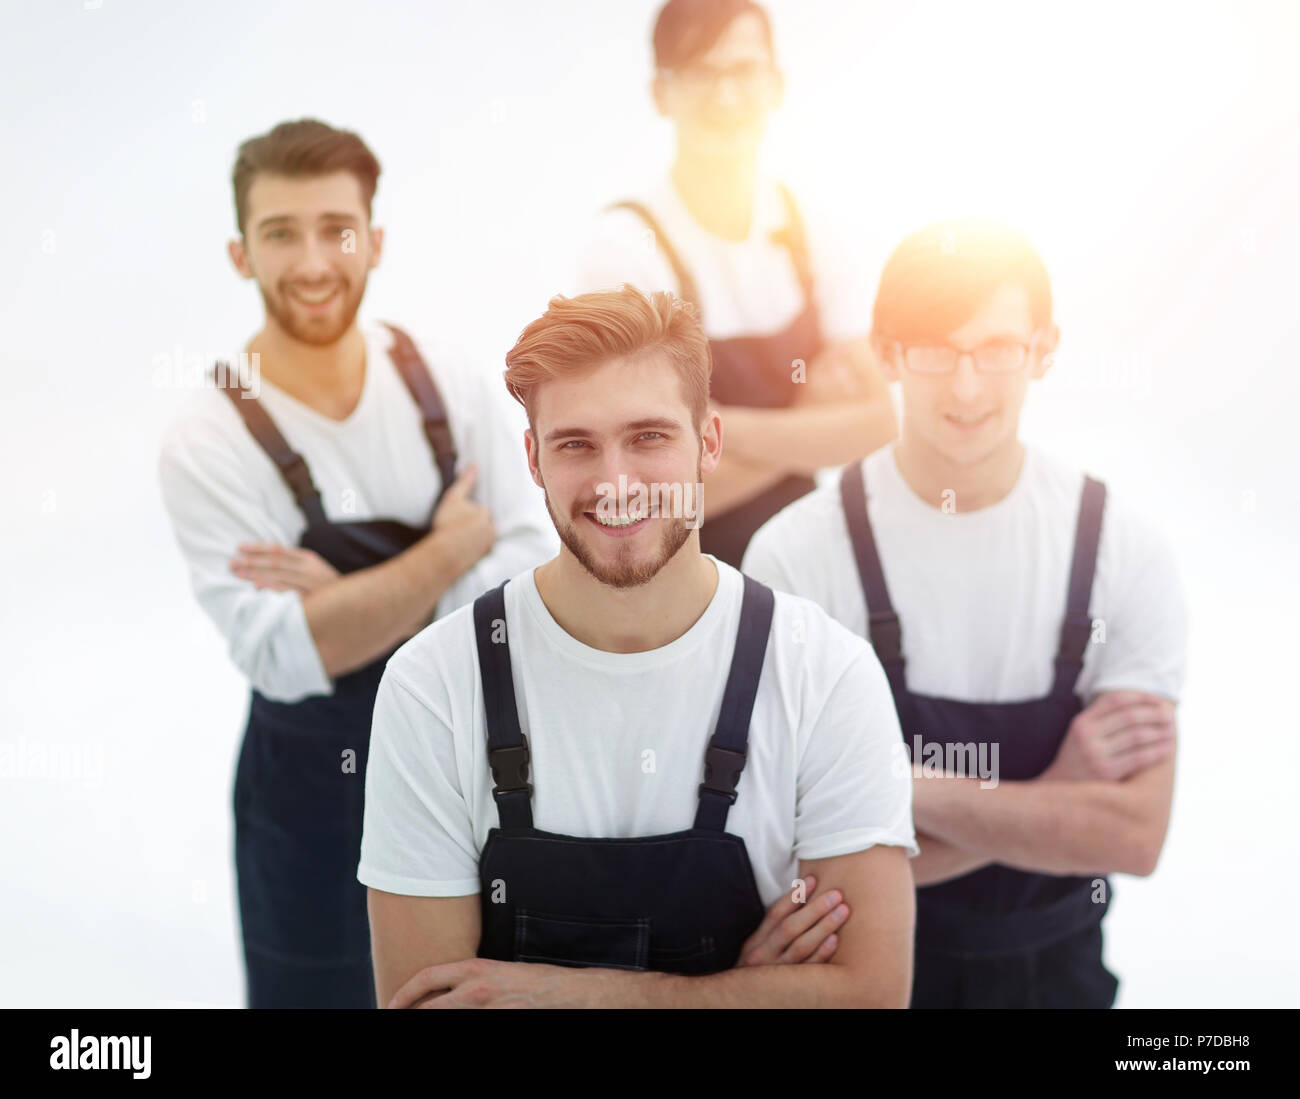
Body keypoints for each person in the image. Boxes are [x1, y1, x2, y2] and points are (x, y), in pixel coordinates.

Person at [358, 286, 918, 1008]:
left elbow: (871, 997)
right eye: (576, 444)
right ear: (532, 459)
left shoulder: (823, 673)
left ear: (708, 443)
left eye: (649, 436)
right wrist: (744, 993)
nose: (615, 481)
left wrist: (572, 993)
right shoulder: (434, 685)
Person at [157, 118, 557, 1008]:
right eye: (280, 233)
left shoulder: (445, 377)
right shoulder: (207, 441)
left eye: (336, 229)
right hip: (309, 802)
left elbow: (530, 568)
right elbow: (287, 653)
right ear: (239, 254)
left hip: (472, 768)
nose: (311, 261)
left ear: (374, 239)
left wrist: (350, 602)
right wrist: (453, 547)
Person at [742, 220, 1188, 1008]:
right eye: (935, 351)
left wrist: (897, 790)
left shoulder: (1124, 547)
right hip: (868, 983)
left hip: (1062, 984)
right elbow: (802, 870)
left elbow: (1132, 836)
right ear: (886, 355)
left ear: (1043, 350)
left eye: (997, 349)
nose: (969, 386)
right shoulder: (796, 558)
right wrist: (1055, 794)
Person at [574, 0, 897, 568]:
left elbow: (879, 423)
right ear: (660, 93)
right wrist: (810, 419)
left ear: (776, 86)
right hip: (678, 584)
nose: (726, 97)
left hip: (806, 571)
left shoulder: (812, 225)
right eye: (702, 73)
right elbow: (651, 500)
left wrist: (712, 435)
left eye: (744, 72)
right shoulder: (624, 250)